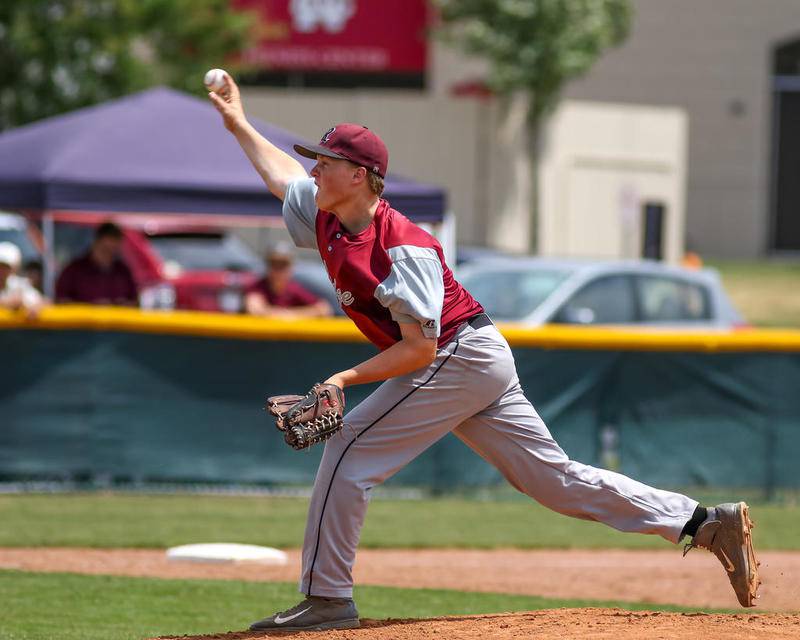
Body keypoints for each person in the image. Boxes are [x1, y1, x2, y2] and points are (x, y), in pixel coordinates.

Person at [209, 74, 761, 632]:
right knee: (552, 480)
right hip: (473, 355)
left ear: (360, 176)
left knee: (349, 453)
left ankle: (327, 598)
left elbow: (419, 348)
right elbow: (280, 176)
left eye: (325, 161)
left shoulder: (403, 247)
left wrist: (343, 378)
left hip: (456, 353)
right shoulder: (327, 212)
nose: (313, 169)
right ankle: (705, 522)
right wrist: (238, 123)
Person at [55, 222, 138, 306]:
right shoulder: (73, 271)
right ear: (96, 242)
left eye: (113, 250)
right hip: (83, 319)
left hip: (117, 319)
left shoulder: (123, 272)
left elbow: (135, 302)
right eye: (105, 248)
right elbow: (61, 300)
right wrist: (90, 308)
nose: (108, 254)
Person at [244, 241, 332, 318]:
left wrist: (290, 315)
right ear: (268, 266)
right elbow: (254, 309)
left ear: (290, 268)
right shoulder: (257, 286)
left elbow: (324, 309)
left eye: (283, 265)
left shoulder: (293, 288)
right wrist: (285, 315)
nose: (278, 270)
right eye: (274, 264)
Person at [0, 242, 43, 318]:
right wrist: (9, 302)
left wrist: (34, 307)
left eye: (6, 267)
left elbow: (41, 301)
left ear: (14, 268)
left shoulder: (19, 285)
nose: (2, 270)